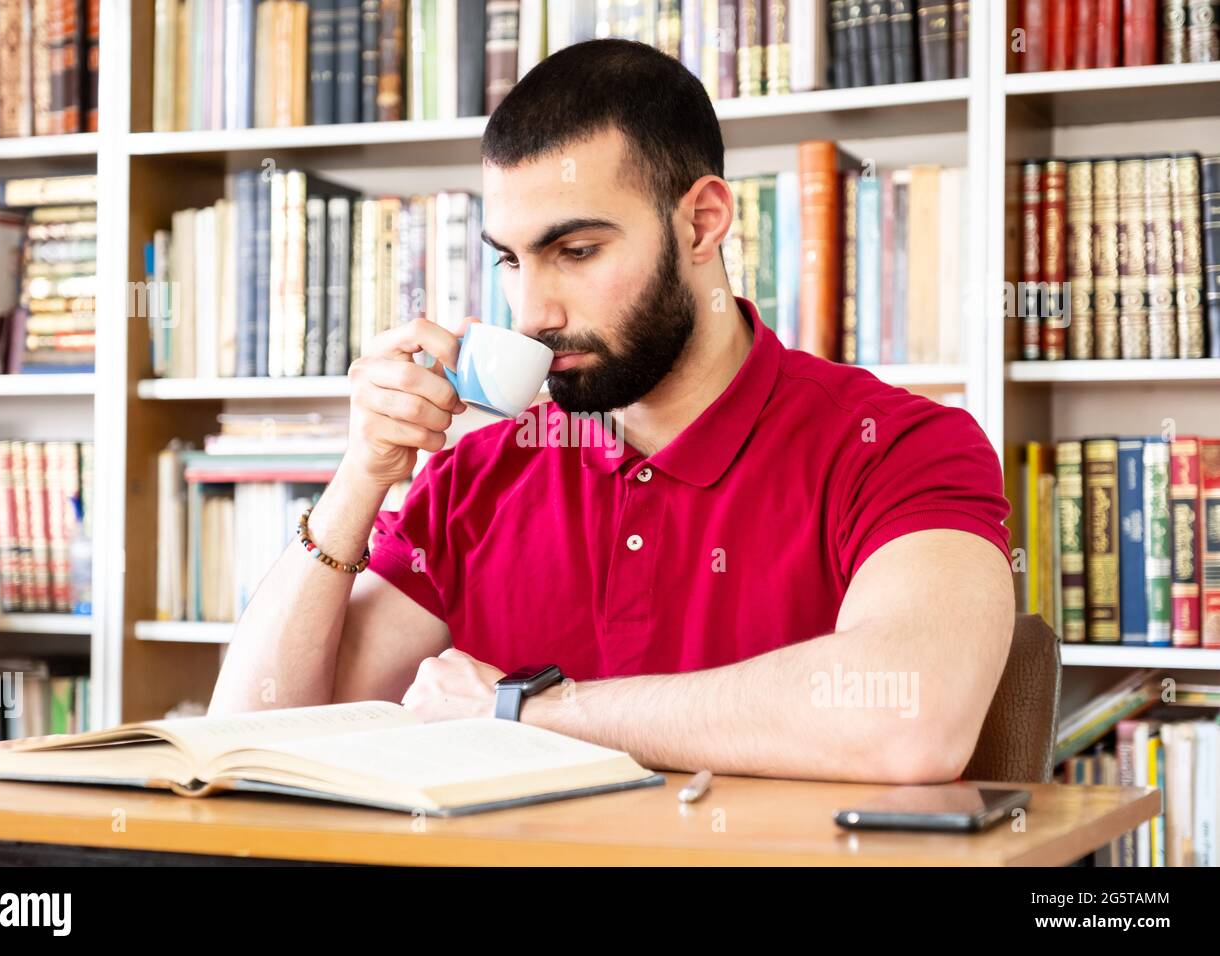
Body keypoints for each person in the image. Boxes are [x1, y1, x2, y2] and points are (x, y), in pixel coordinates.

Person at [211, 39, 1015, 784]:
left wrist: (527, 712)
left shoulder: (897, 445)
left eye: (577, 251)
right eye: (509, 260)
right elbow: (254, 739)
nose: (531, 315)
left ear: (703, 222)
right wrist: (361, 476)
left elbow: (912, 716)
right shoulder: (480, 477)